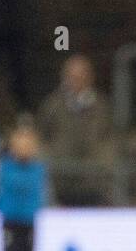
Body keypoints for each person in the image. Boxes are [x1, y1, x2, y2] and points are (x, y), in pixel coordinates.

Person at [38, 54, 110, 205]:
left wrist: (102, 164)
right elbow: (43, 134)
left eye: (80, 75)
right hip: (60, 179)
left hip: (95, 181)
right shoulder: (52, 105)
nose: (76, 80)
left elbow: (109, 138)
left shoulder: (103, 107)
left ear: (90, 77)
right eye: (71, 76)